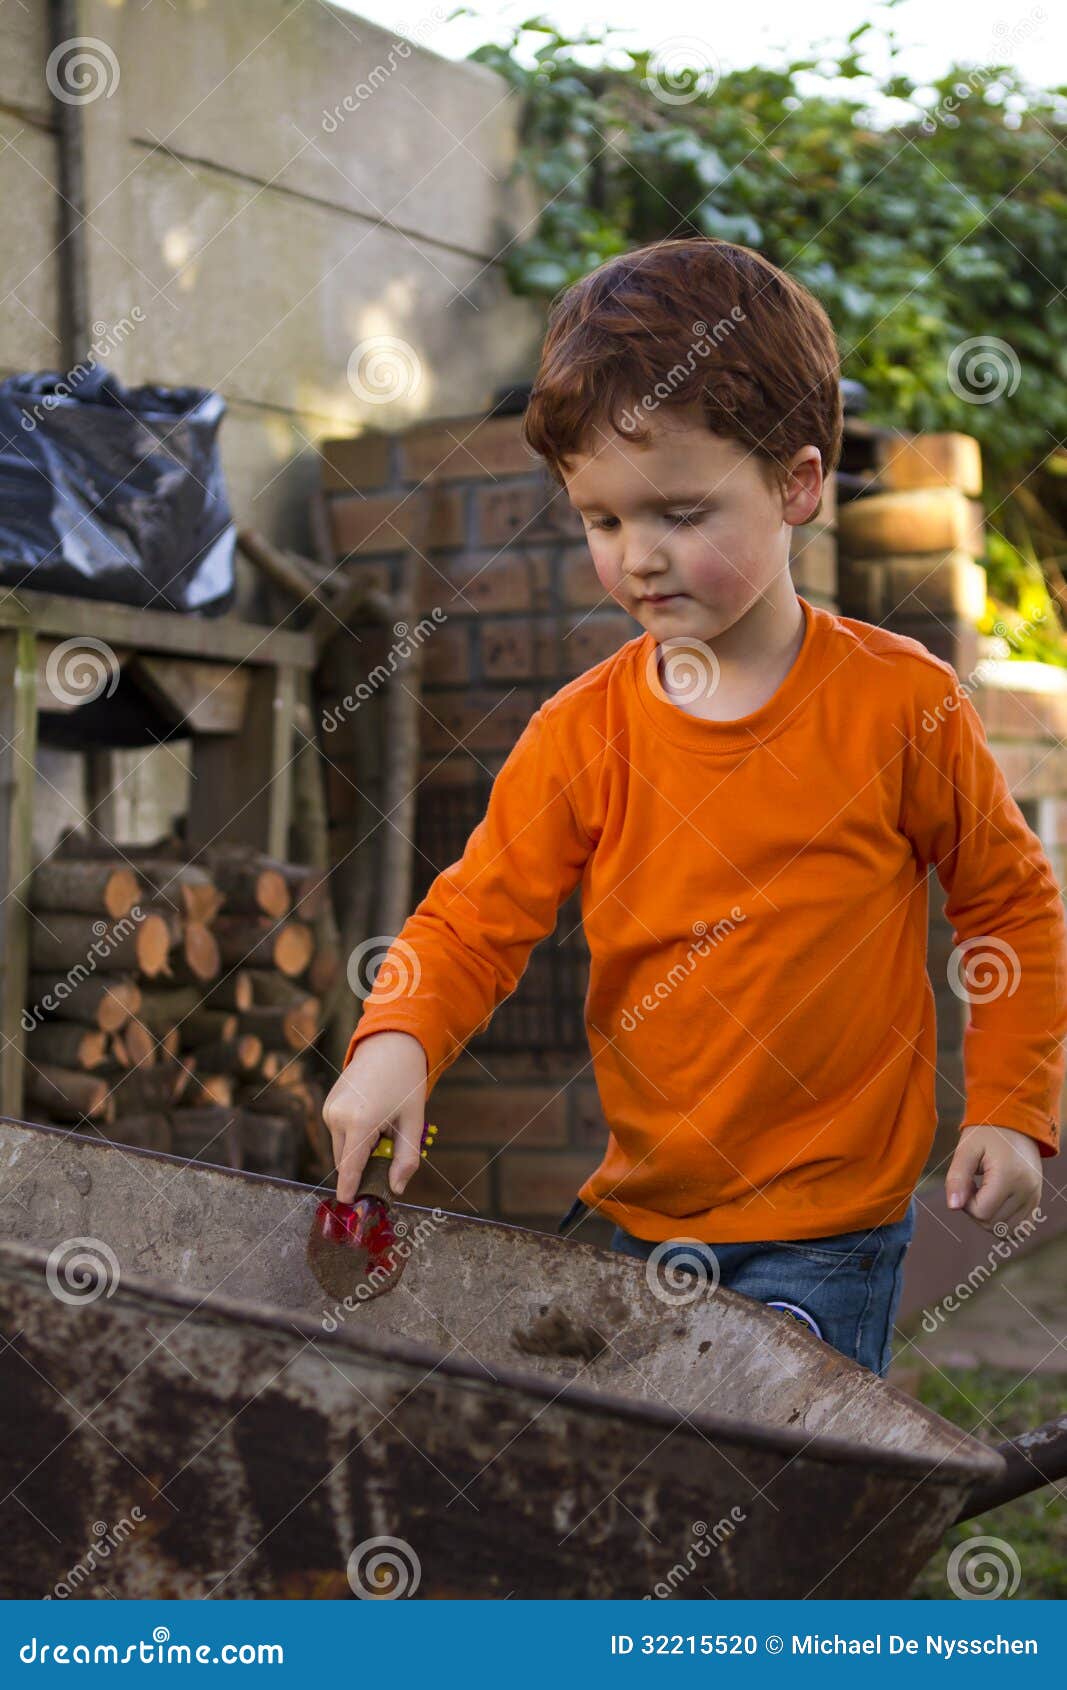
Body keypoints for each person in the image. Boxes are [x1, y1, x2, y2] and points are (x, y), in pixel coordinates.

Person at [322, 236, 1067, 1377]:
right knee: (662, 1510)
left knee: (773, 1507)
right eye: (602, 521)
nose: (637, 560)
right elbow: (472, 917)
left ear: (796, 484)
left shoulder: (898, 706)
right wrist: (398, 1039)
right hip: (646, 1221)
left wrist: (1009, 1103)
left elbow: (1010, 909)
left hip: (828, 1234)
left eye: (677, 512)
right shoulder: (583, 731)